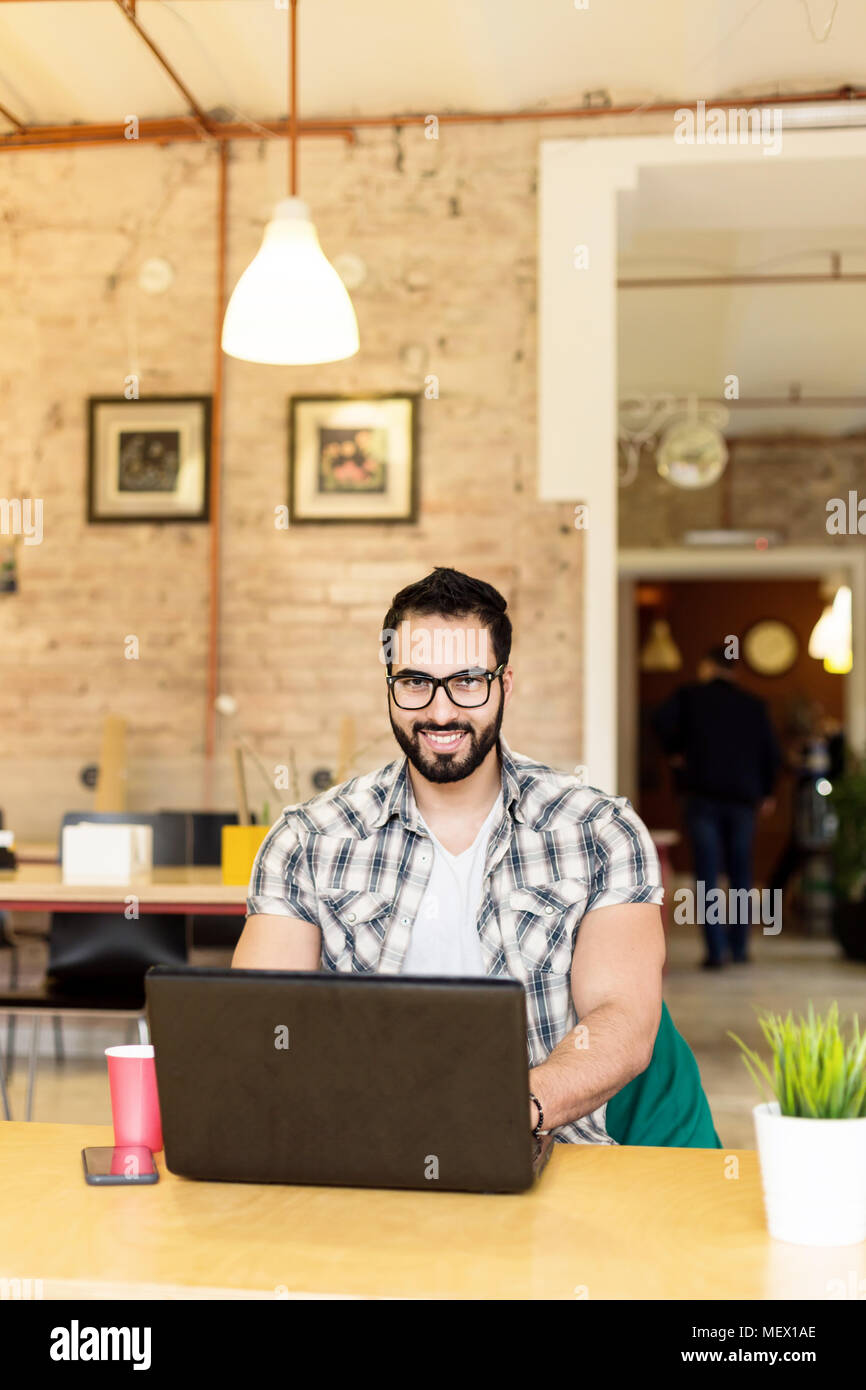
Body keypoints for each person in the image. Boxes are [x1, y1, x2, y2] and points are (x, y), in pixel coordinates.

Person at [233, 567, 717, 1146]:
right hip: (360, 1153)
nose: (440, 712)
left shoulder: (599, 831)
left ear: (505, 685)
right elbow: (263, 1022)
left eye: (467, 681)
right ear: (389, 684)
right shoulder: (307, 839)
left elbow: (623, 1020)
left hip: (547, 1149)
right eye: (416, 682)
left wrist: (501, 1114)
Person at [652, 644, 781, 969]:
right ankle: (739, 948)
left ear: (708, 667)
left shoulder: (690, 697)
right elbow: (771, 752)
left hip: (702, 796)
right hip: (743, 799)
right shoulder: (753, 705)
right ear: (735, 671)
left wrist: (675, 751)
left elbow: (658, 720)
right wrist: (767, 792)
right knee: (741, 874)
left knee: (708, 874)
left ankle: (715, 951)